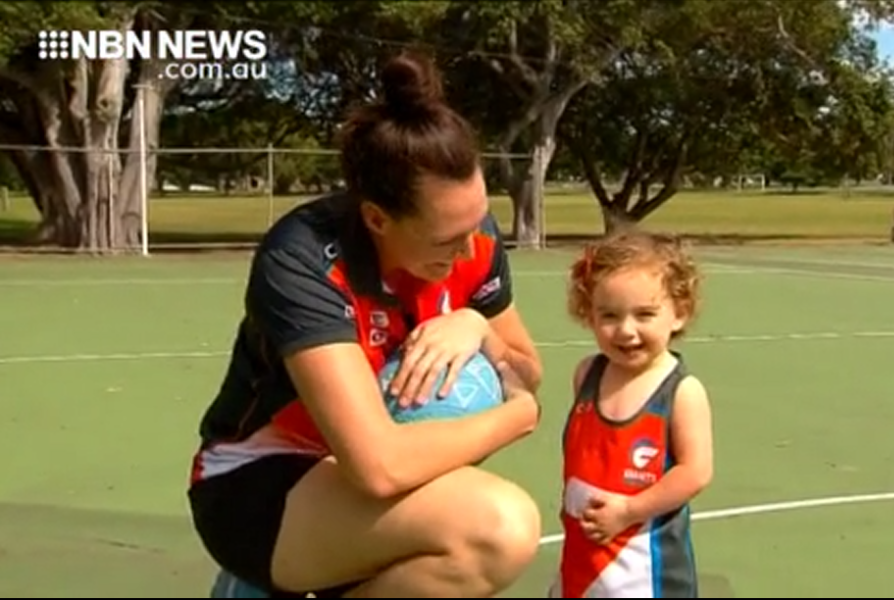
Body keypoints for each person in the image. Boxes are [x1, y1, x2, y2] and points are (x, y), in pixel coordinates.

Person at [186, 50, 545, 598]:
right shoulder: (304, 258)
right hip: (259, 484)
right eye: (447, 238)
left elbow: (525, 366)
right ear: (376, 218)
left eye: (477, 222)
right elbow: (379, 467)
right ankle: (261, 577)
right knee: (497, 530)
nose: (473, 247)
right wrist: (521, 414)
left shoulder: (471, 237)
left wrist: (477, 326)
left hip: (364, 478)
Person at [548, 230, 715, 598]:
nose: (626, 331)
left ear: (679, 313)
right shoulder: (587, 374)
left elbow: (695, 472)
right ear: (587, 314)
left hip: (645, 574)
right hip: (582, 562)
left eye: (644, 315)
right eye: (609, 315)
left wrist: (629, 510)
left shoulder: (681, 393)